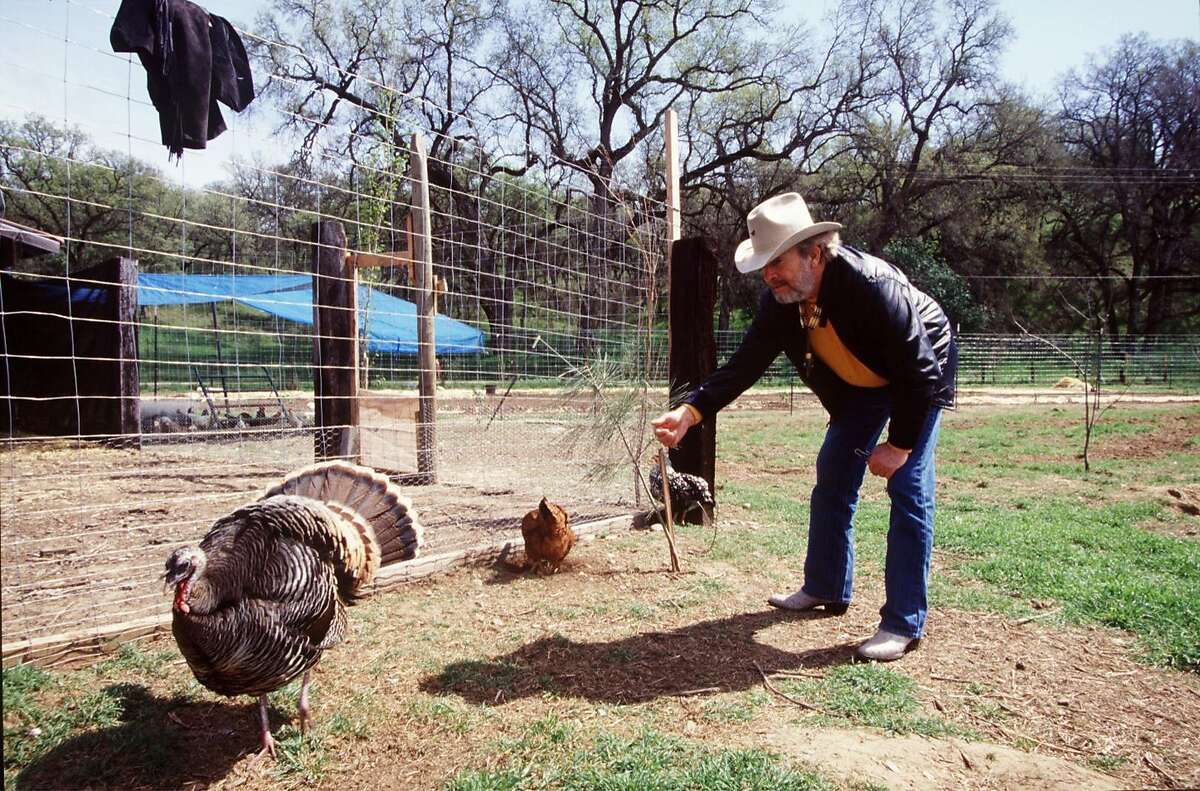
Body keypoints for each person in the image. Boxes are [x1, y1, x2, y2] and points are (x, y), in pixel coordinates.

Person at [651, 192, 956, 662]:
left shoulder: (871, 286)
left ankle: (902, 623)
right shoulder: (781, 301)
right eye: (764, 264)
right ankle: (825, 586)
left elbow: (920, 371)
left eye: (777, 262)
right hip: (863, 385)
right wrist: (690, 412)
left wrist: (898, 445)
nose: (768, 274)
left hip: (920, 371)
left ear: (814, 252)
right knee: (834, 468)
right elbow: (745, 364)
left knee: (909, 486)